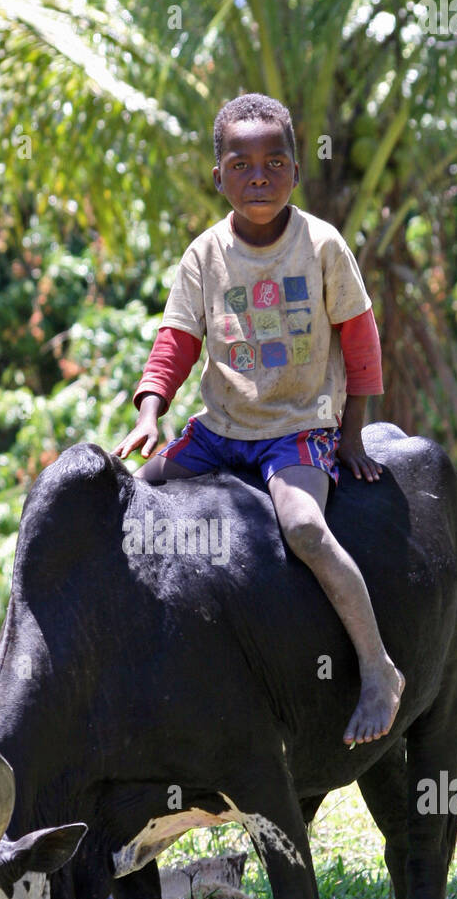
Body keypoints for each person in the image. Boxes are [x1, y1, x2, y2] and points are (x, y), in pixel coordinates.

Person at [114, 93, 403, 745]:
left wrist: (351, 435)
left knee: (304, 529)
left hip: (298, 428)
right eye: (240, 164)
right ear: (219, 177)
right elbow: (177, 341)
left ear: (296, 170)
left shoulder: (322, 245)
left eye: (275, 161)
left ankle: (379, 668)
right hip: (220, 430)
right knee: (130, 499)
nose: (258, 175)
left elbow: (360, 342)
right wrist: (152, 409)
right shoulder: (205, 256)